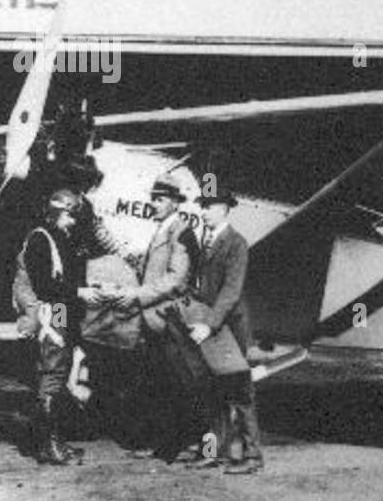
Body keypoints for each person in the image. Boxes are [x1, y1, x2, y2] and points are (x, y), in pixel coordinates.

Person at [113, 175, 197, 459]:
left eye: (160, 200)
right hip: (154, 319)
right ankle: (161, 443)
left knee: (174, 382)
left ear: (175, 202)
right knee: (157, 382)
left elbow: (176, 279)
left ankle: (183, 443)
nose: (154, 204)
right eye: (153, 198)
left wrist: (139, 295)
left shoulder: (181, 232)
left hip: (166, 319)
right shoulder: (164, 230)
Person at [186, 186, 261, 475]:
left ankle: (253, 457)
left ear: (223, 209)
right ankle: (215, 451)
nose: (202, 211)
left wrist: (209, 323)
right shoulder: (210, 242)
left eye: (208, 206)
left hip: (228, 327)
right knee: (214, 392)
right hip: (213, 327)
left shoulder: (236, 243)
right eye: (202, 206)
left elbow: (231, 291)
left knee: (241, 394)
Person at [18, 188, 96, 465]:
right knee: (52, 373)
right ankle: (49, 445)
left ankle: (55, 441)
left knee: (59, 371)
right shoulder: (41, 239)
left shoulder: (58, 238)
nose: (73, 222)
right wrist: (78, 293)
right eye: (70, 215)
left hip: (61, 311)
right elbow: (46, 286)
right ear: (58, 212)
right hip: (53, 312)